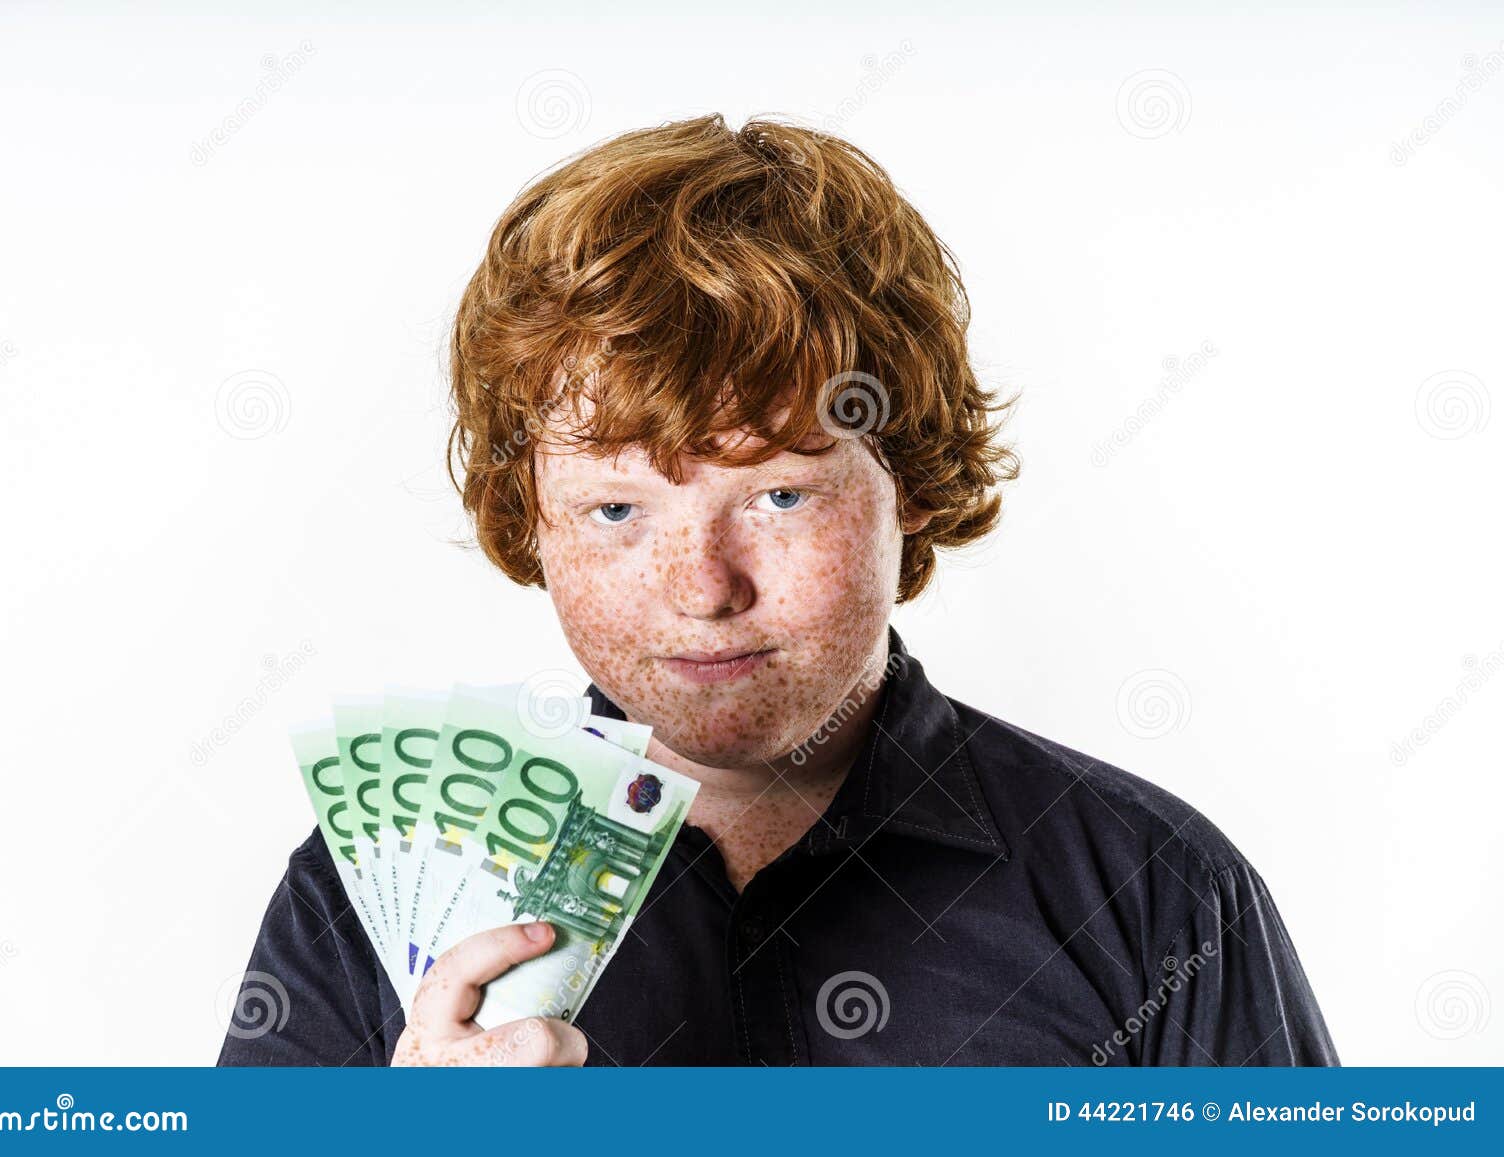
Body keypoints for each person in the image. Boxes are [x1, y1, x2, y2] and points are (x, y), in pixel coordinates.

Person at [219, 113, 1337, 1067]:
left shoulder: (1157, 896)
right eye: (618, 510)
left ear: (914, 482)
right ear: (535, 523)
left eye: (779, 496)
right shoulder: (354, 907)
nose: (701, 589)